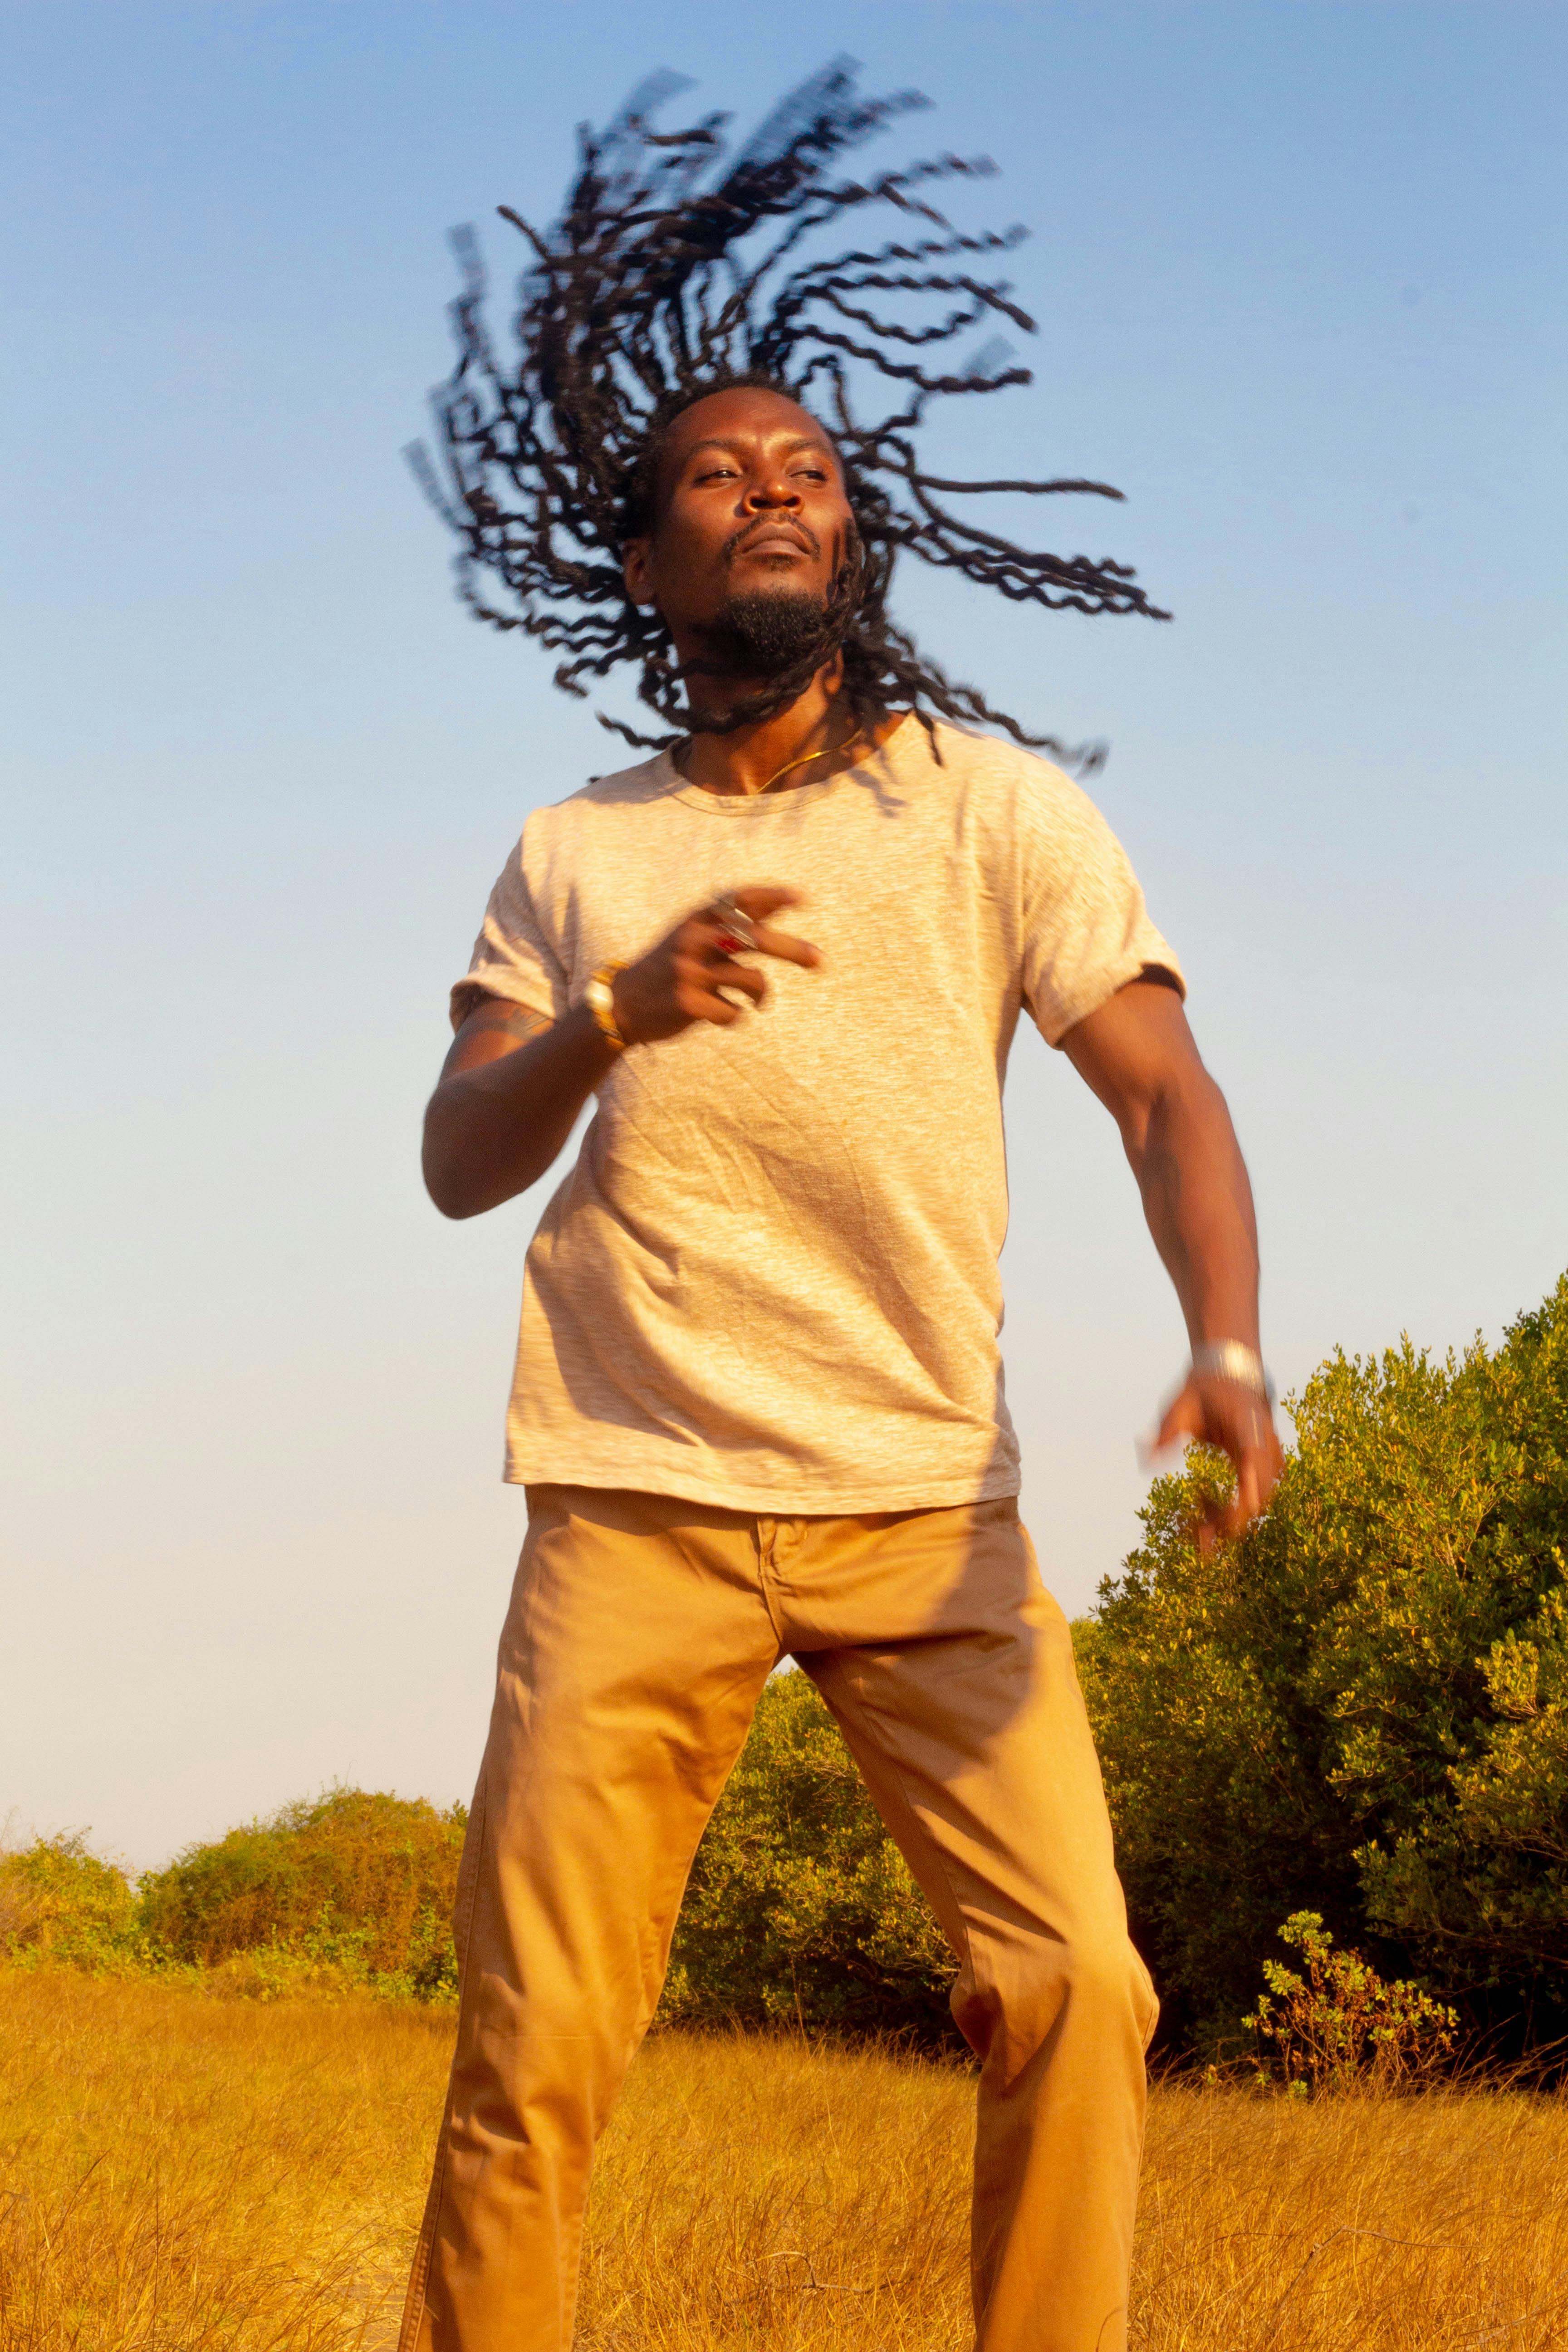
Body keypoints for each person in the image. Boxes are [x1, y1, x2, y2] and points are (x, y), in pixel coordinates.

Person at [399, 66, 1283, 2352]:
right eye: (722, 472)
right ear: (647, 558)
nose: (775, 489)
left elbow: (1166, 1092)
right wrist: (606, 1018)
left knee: (1080, 1983)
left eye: (810, 472)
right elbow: (457, 1154)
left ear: (849, 540)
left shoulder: (997, 815)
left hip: (927, 1510)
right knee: (534, 2061)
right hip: (639, 1498)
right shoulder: (575, 850)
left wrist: (1229, 1344)